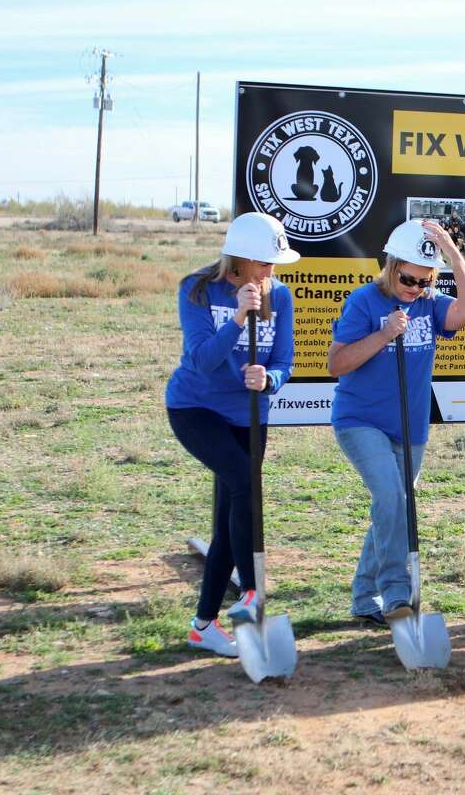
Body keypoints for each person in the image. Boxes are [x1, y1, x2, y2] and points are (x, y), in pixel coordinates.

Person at [328, 220, 465, 625]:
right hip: (360, 420)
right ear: (391, 266)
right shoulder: (364, 302)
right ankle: (397, 594)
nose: (414, 287)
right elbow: (336, 364)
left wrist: (450, 250)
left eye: (424, 280)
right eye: (408, 278)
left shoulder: (429, 302)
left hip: (411, 428)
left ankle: (363, 597)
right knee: (393, 501)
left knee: (392, 507)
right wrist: (384, 335)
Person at [166, 212, 299, 657]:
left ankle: (204, 624)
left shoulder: (279, 295)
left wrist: (271, 380)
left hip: (250, 414)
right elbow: (201, 360)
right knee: (246, 485)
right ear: (240, 259)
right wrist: (240, 316)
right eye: (264, 263)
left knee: (232, 512)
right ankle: (250, 592)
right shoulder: (198, 288)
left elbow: (284, 361)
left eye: (274, 264)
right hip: (196, 408)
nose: (271, 272)